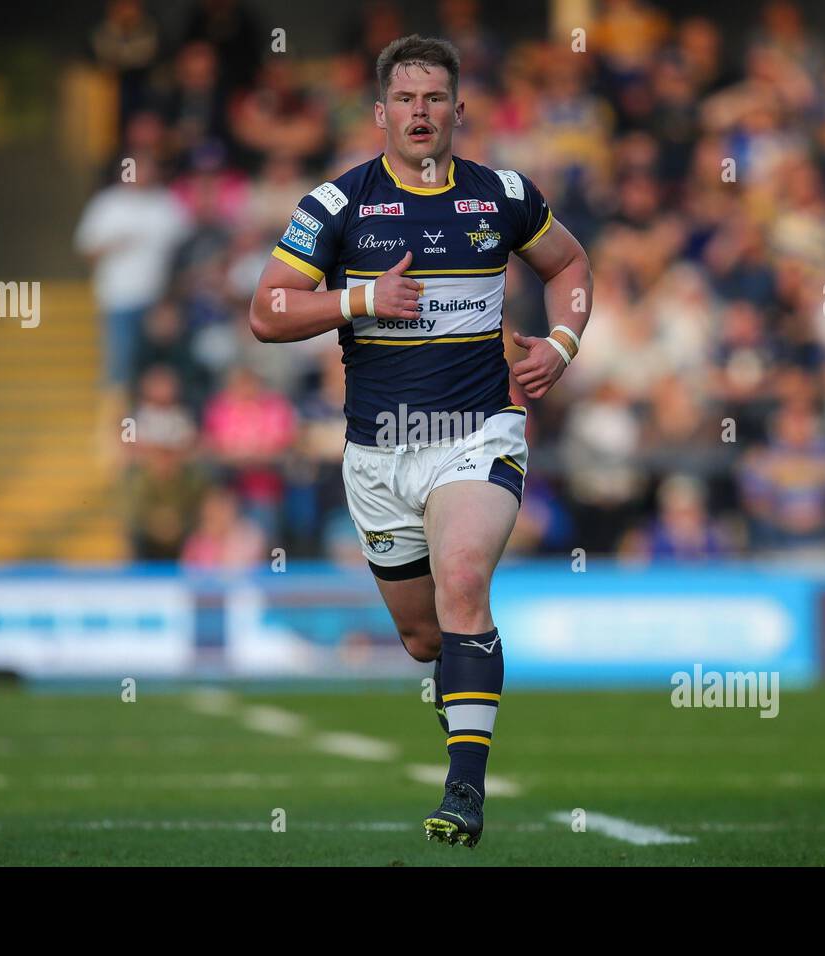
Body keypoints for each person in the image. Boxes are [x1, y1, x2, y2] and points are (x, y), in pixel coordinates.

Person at [248, 35, 592, 848]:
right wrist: (360, 299)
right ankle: (461, 685)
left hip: (477, 435)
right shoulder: (337, 205)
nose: (420, 112)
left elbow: (570, 264)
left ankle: (464, 794)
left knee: (464, 581)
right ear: (380, 113)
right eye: (405, 99)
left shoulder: (502, 194)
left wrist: (564, 343)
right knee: (426, 637)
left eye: (435, 98)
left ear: (458, 110)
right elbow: (267, 312)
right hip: (378, 452)